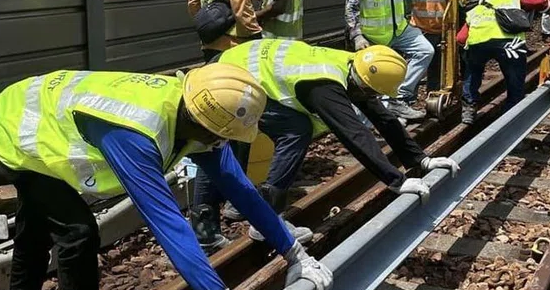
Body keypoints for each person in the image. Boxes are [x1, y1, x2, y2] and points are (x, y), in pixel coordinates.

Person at [0, 64, 333, 290]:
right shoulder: (134, 135)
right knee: (77, 232)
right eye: (222, 136)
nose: (223, 144)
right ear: (204, 125)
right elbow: (168, 224)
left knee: (35, 235)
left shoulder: (196, 109)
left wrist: (295, 254)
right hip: (17, 129)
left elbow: (239, 186)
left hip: (35, 110)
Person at [193, 41, 460, 242]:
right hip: (229, 78)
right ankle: (266, 220)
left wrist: (420, 160)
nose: (371, 99)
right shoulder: (324, 85)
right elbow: (354, 134)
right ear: (364, 84)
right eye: (371, 93)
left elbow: (383, 118)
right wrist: (397, 181)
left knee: (224, 145)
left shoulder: (353, 66)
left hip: (235, 66)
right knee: (294, 130)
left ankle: (212, 229)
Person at [459, 0, 550, 124]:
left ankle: (468, 108)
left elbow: (460, 38)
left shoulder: (476, 10)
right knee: (515, 76)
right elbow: (537, 1)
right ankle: (511, 111)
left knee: (473, 71)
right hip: (510, 45)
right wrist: (549, 2)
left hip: (478, 44)